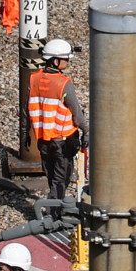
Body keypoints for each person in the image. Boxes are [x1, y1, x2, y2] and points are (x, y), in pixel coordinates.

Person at [29, 38, 87, 200]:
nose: (67, 62)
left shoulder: (34, 79)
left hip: (43, 139)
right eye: (65, 59)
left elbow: (31, 107)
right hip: (62, 141)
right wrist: (87, 130)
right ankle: (53, 215)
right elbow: (77, 113)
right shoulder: (64, 84)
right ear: (56, 61)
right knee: (61, 180)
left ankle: (54, 209)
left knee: (52, 176)